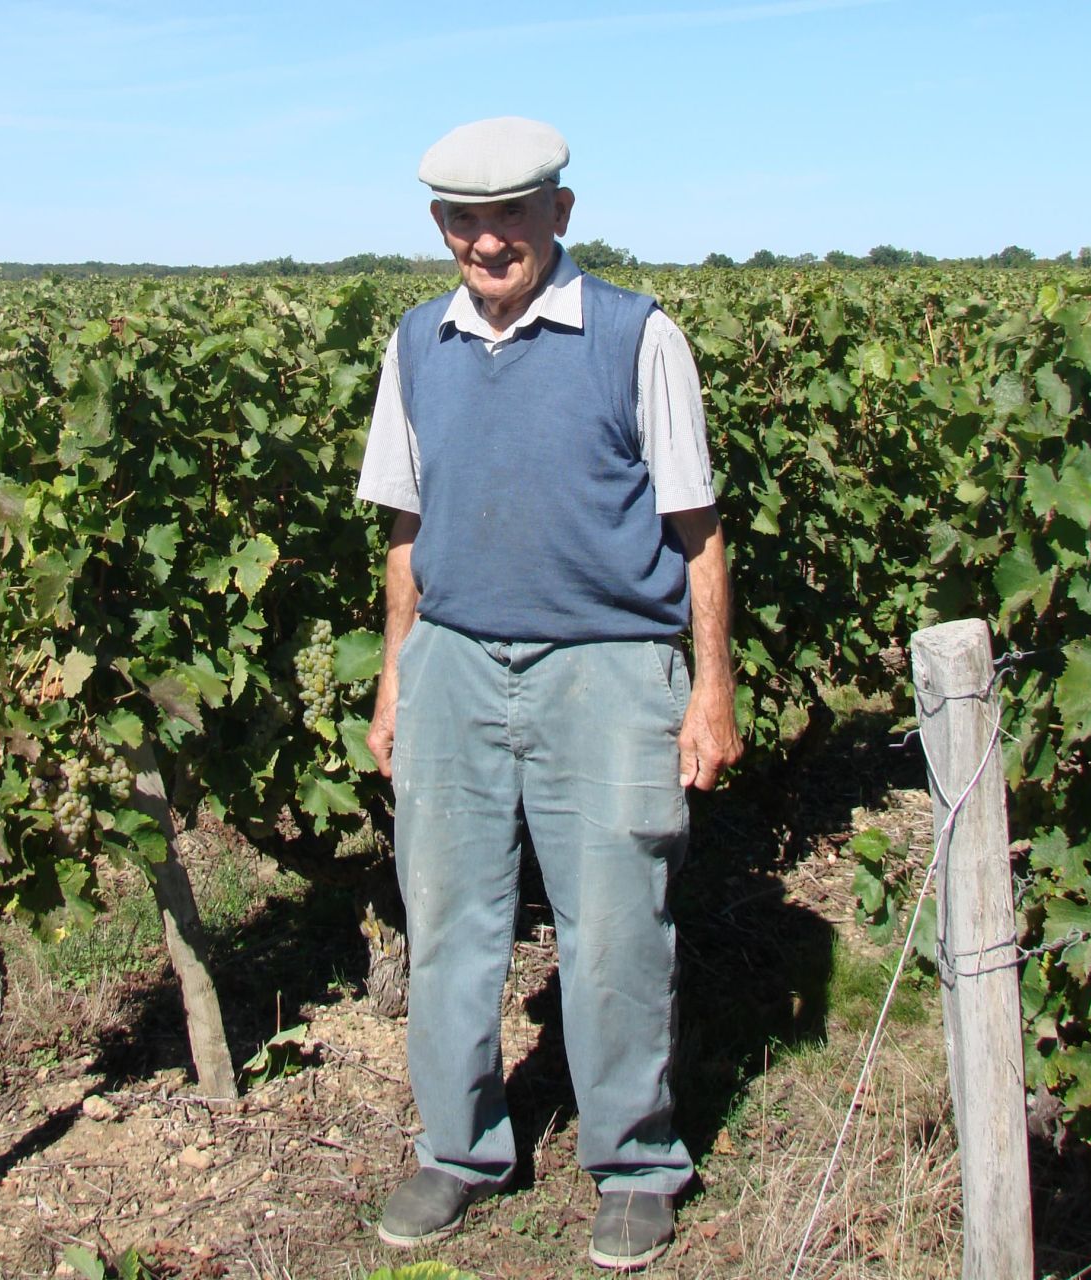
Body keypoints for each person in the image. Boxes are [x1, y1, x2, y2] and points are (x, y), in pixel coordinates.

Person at [357, 116, 742, 1271]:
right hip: (453, 661)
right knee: (446, 918)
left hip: (608, 666)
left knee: (617, 923)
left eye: (510, 215)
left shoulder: (636, 335)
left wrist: (710, 688)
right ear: (440, 227)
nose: (487, 241)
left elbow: (697, 528)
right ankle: (458, 1149)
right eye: (463, 221)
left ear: (559, 213)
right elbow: (405, 527)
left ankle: (635, 1163)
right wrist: (394, 677)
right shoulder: (416, 343)